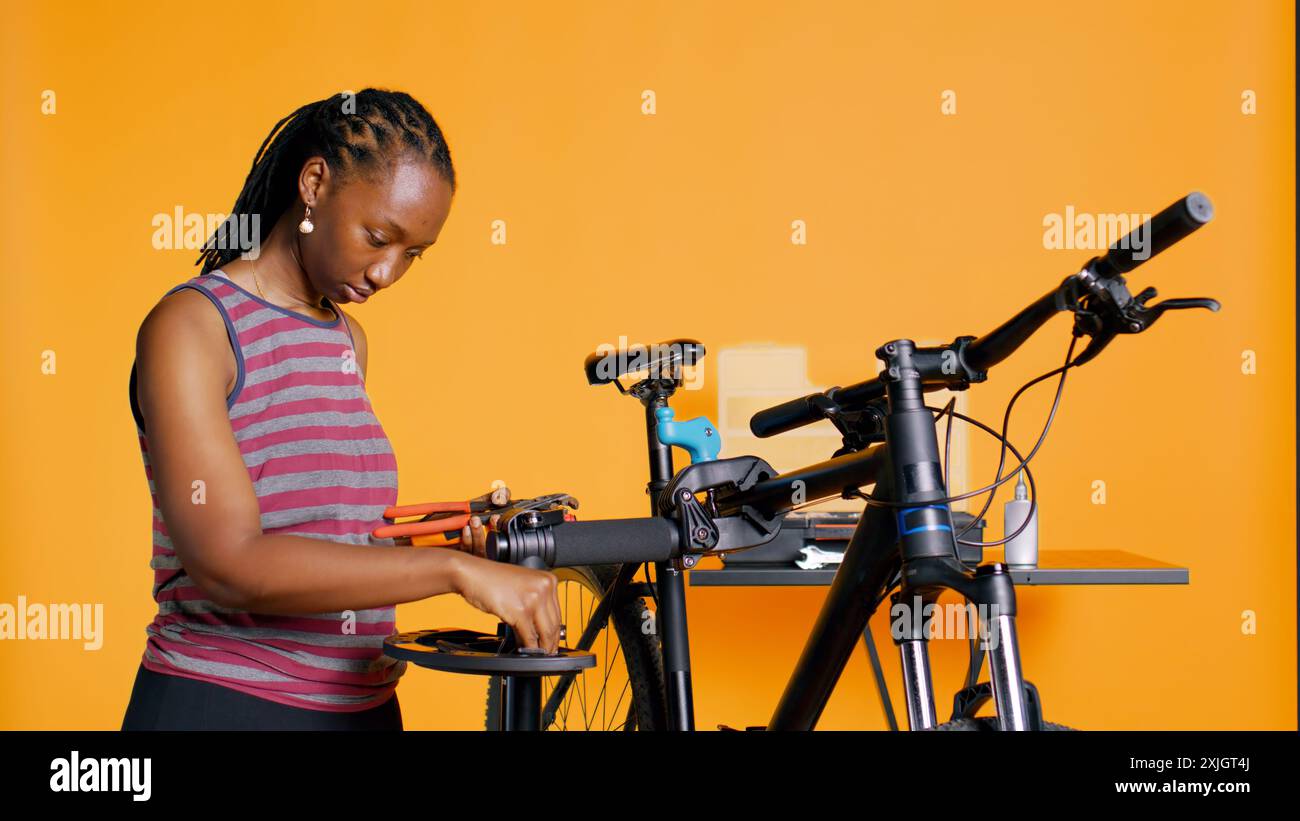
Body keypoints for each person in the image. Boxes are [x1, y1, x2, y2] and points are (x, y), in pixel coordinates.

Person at [121, 88, 561, 730]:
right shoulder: (193, 327)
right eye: (378, 237)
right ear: (316, 182)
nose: (387, 273)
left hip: (366, 708)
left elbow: (331, 533)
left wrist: (456, 534)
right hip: (227, 707)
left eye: (413, 254)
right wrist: (450, 570)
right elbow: (231, 564)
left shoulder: (346, 339)